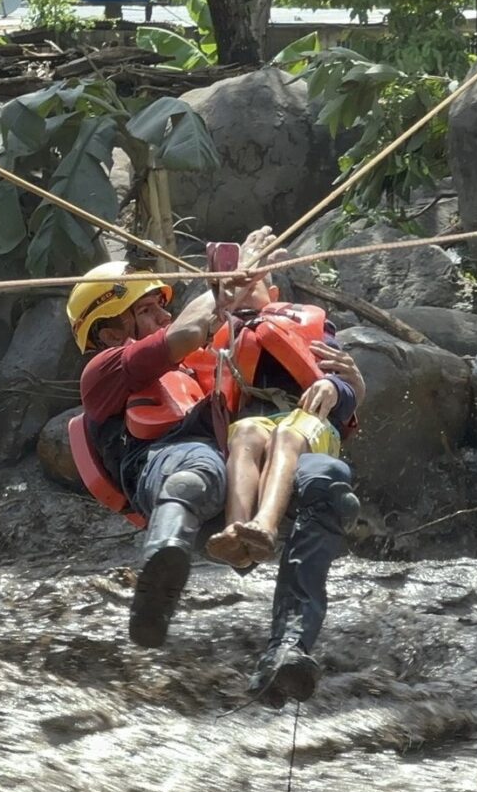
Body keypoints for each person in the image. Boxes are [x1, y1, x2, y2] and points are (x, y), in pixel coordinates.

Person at [68, 228, 365, 708]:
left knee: (327, 485)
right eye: (147, 310)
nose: (163, 315)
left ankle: (287, 650)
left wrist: (347, 383)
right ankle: (158, 576)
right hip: (168, 471)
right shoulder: (107, 369)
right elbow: (187, 329)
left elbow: (297, 406)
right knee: (197, 468)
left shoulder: (207, 363)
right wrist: (232, 272)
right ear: (109, 330)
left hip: (240, 482)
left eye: (163, 307)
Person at [202, 275, 357, 570]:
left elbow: (346, 385)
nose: (241, 296)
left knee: (285, 434)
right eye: (232, 291)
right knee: (245, 432)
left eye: (250, 289)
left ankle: (266, 525)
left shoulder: (311, 328)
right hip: (256, 422)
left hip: (309, 423)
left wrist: (333, 386)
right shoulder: (221, 339)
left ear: (272, 293)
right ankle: (235, 529)